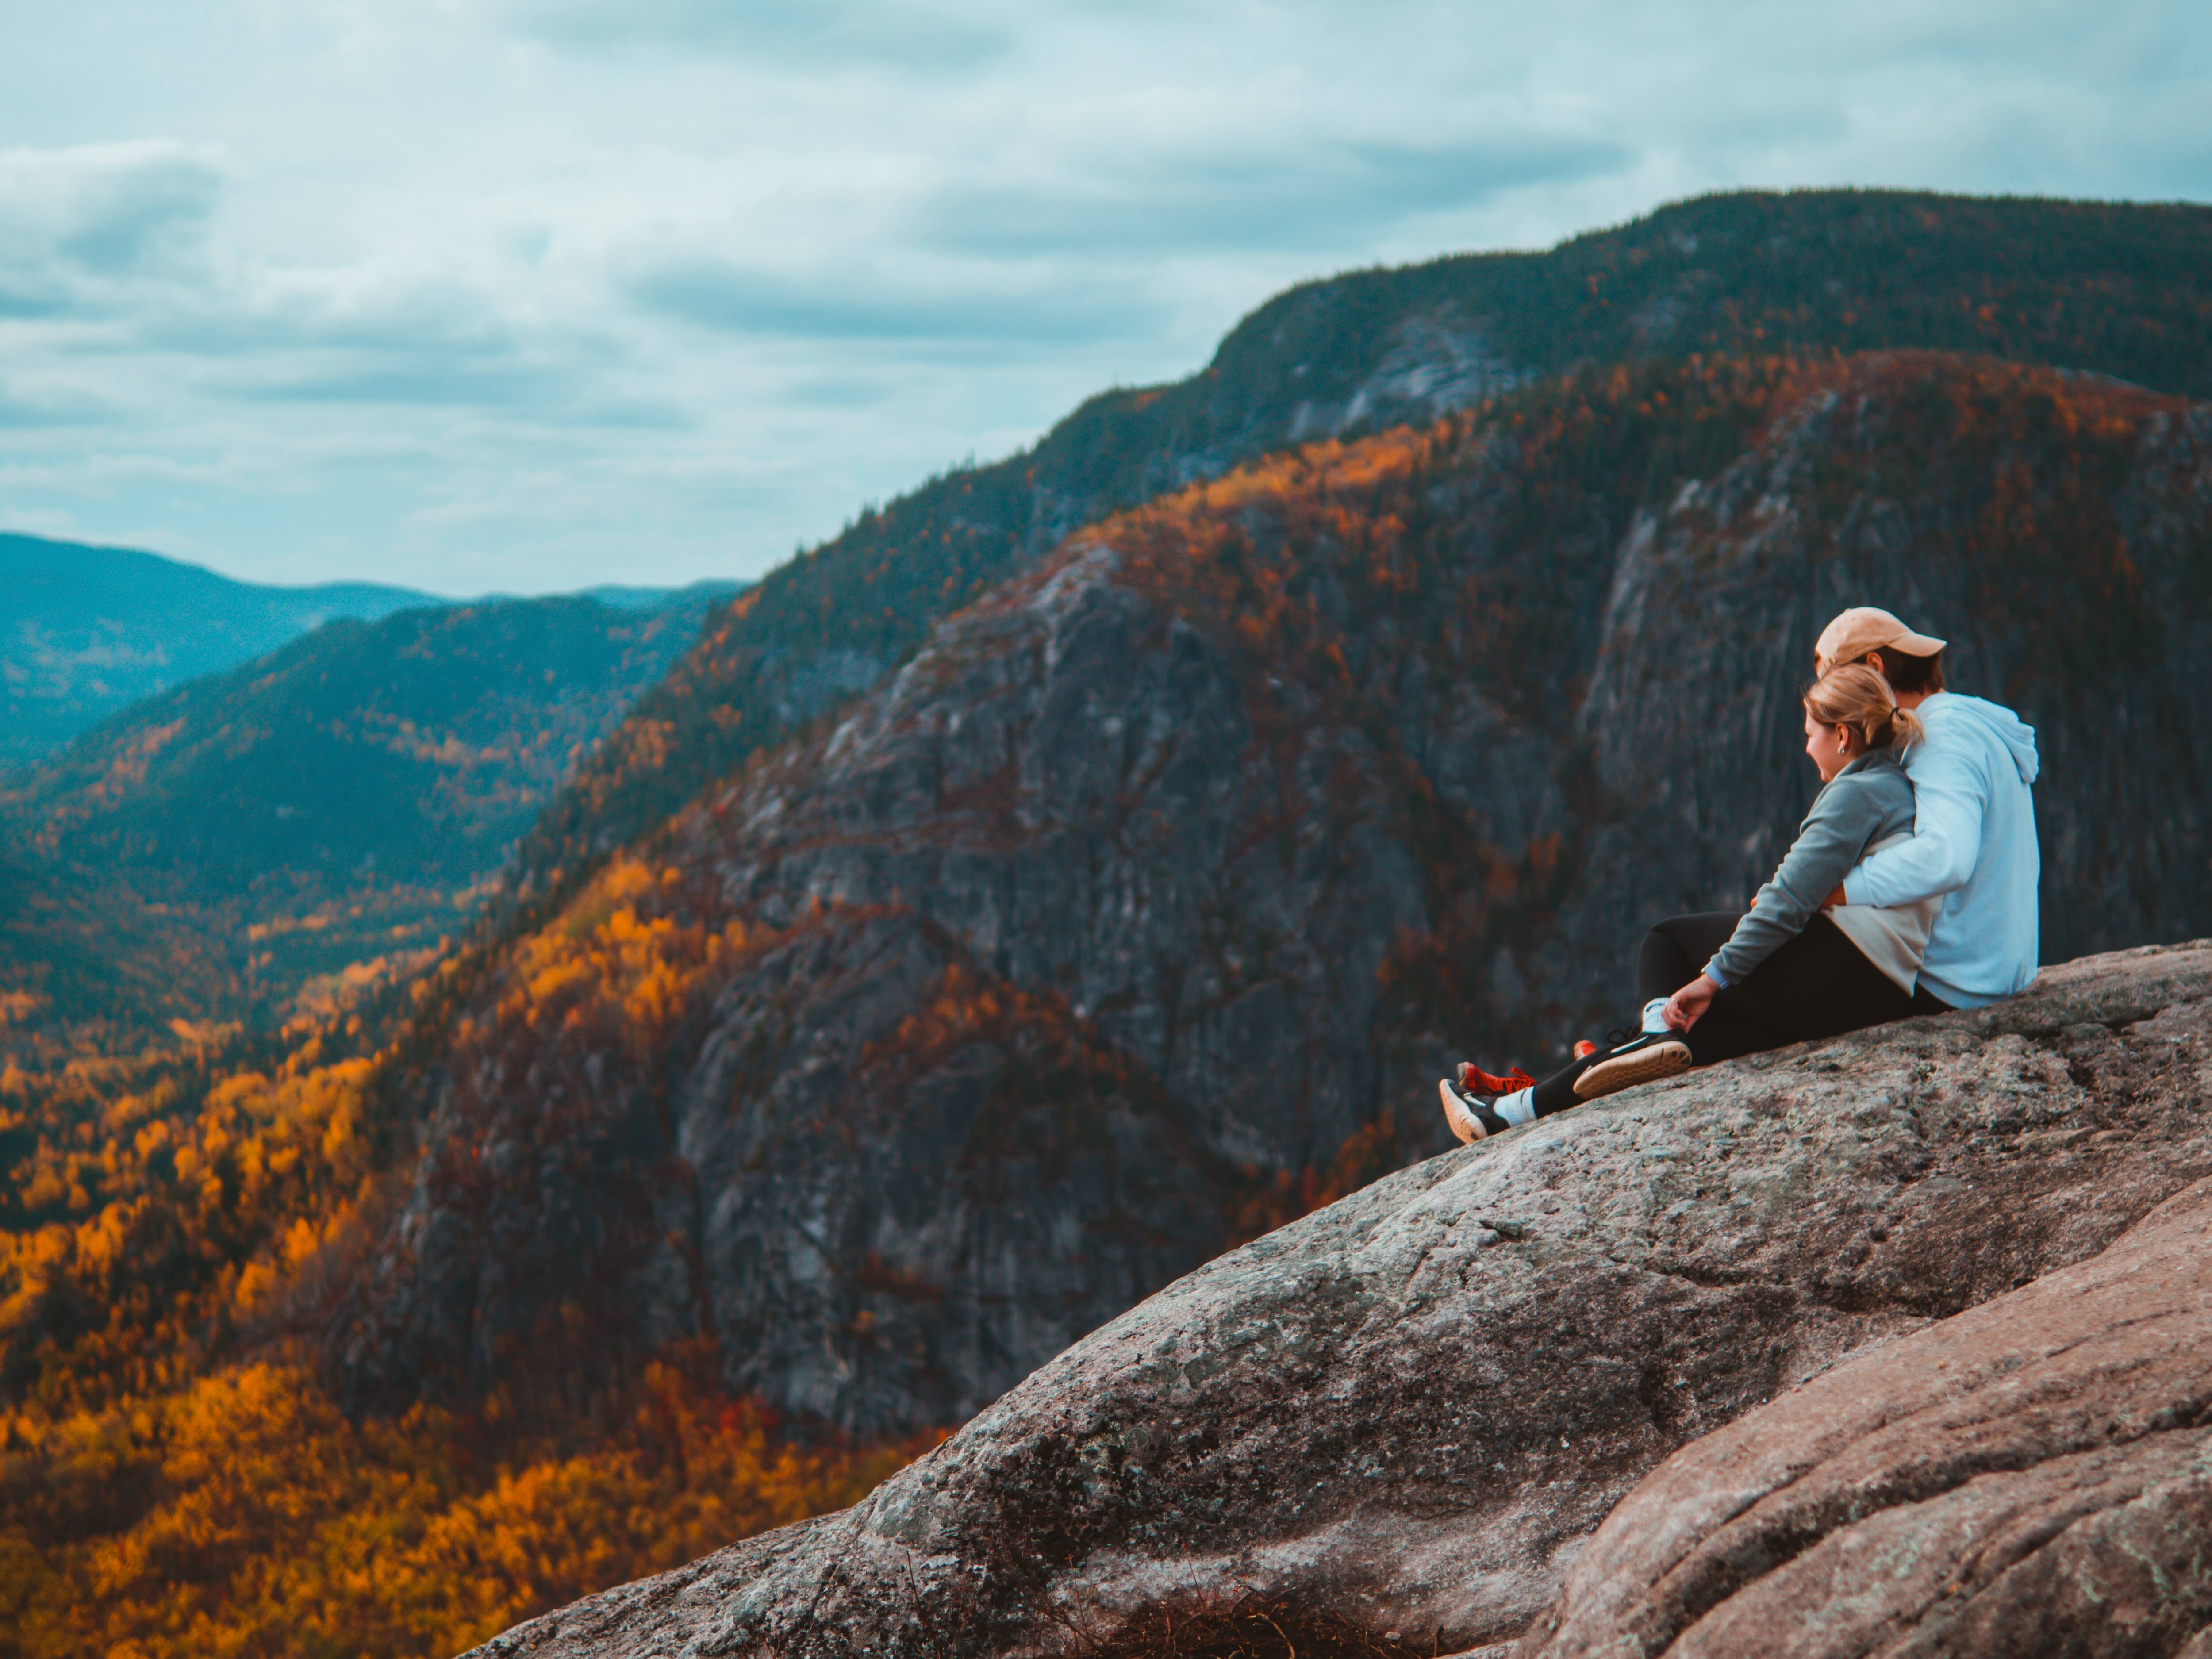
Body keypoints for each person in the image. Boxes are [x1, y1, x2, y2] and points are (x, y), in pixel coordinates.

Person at [1440, 664, 1939, 1144]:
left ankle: (1645, 1038)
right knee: (1698, 1038)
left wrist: (1712, 977)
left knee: (1666, 941)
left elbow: (1787, 902)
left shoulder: (1855, 793)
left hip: (1844, 968)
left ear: (1843, 737)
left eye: (1811, 734)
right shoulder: (1894, 787)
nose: (1807, 747)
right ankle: (1515, 1111)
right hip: (1876, 992)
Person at [1811, 607, 2040, 1011]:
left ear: (1875, 667)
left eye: (1836, 684)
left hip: (1953, 983)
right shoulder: (1967, 723)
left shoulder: (1942, 735)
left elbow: (1946, 857)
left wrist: (1834, 889)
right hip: (1989, 974)